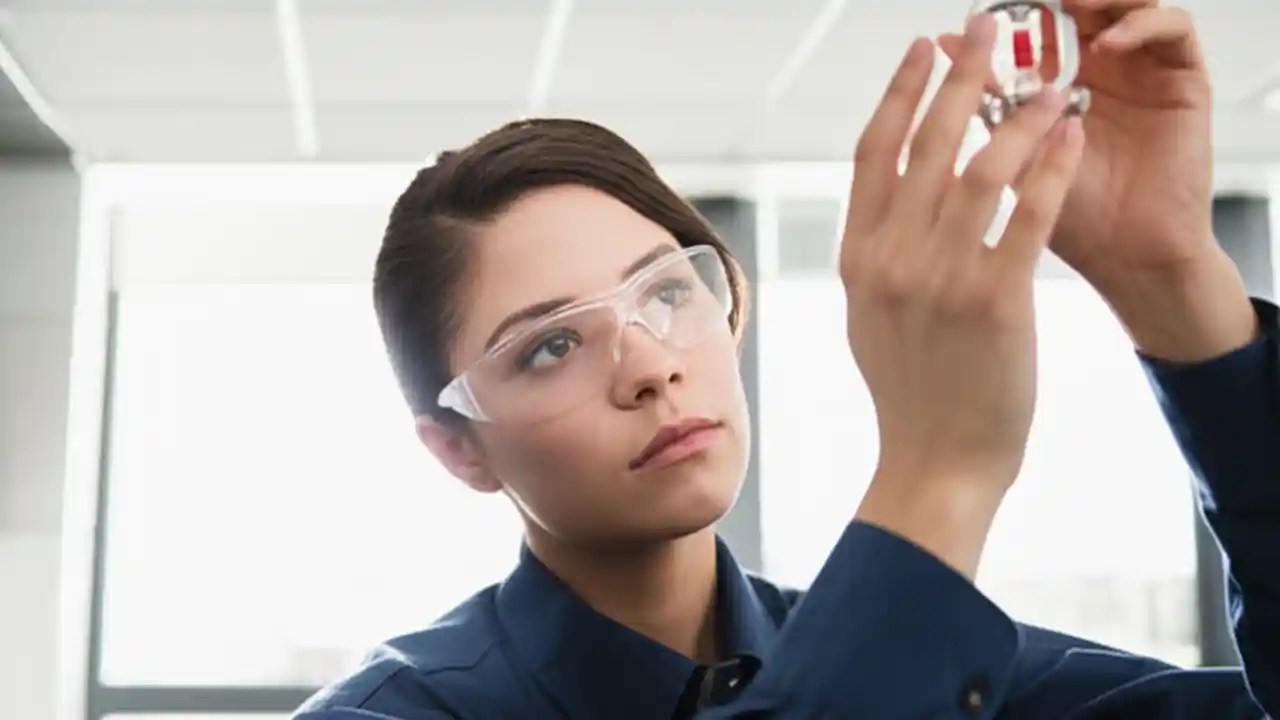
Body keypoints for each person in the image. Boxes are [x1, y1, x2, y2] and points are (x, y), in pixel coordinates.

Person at [295, 1, 1279, 717]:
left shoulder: (971, 678)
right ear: (458, 448)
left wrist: (1175, 290)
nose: (650, 368)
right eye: (550, 345)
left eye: (665, 292)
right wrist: (937, 471)